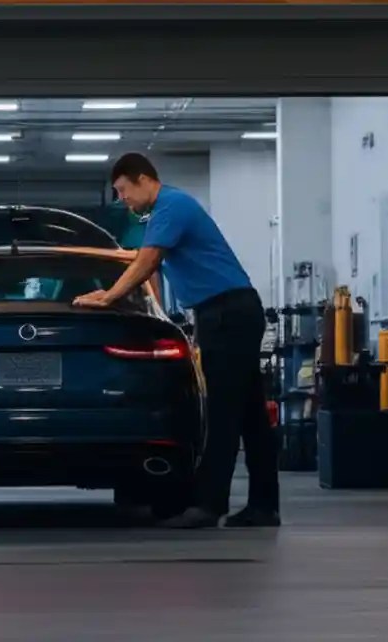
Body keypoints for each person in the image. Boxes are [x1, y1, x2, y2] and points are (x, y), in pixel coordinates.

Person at [73, 152, 280, 529]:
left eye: (123, 191)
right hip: (228, 312)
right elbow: (145, 262)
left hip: (227, 313)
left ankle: (208, 506)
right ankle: (264, 506)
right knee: (250, 415)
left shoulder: (171, 205)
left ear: (141, 179)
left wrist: (108, 296)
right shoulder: (165, 212)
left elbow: (148, 260)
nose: (123, 200)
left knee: (222, 415)